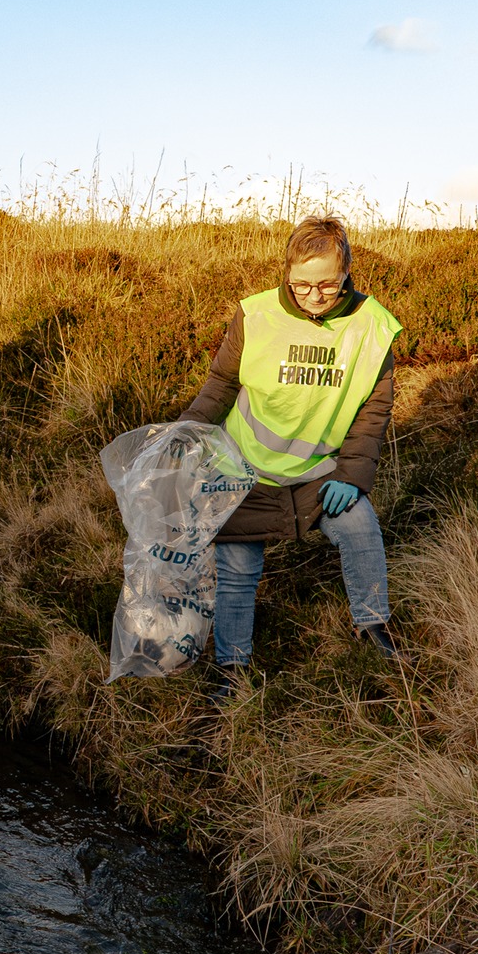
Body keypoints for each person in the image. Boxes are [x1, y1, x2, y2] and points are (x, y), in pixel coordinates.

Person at [176, 215, 402, 700]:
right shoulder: (255, 315)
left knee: (362, 532)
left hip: (321, 475)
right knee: (238, 570)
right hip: (244, 470)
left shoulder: (373, 327)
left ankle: (376, 637)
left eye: (327, 284)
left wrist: (353, 475)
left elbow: (374, 407)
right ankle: (230, 671)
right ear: (287, 273)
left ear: (347, 270)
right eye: (301, 285)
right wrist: (188, 431)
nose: (314, 296)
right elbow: (221, 383)